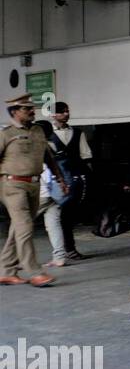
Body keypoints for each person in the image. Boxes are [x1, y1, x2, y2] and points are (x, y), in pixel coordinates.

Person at [0, 99, 66, 287]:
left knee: (18, 229)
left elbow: (48, 157)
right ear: (14, 112)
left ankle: (6, 271)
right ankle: (35, 272)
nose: (31, 111)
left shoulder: (37, 131)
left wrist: (60, 178)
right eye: (26, 109)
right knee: (25, 226)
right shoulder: (6, 134)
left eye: (31, 108)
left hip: (34, 184)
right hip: (12, 186)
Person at [48, 102, 91, 261]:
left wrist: (85, 176)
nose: (66, 114)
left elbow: (85, 156)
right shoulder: (47, 134)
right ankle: (65, 249)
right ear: (53, 115)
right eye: (62, 112)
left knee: (68, 215)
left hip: (74, 178)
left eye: (67, 111)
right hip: (55, 180)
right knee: (58, 215)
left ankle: (68, 248)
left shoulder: (78, 133)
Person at [32, 120, 67, 268]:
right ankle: (59, 257)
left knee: (21, 225)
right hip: (55, 192)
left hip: (42, 191)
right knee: (53, 224)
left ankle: (16, 258)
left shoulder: (36, 146)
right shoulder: (53, 145)